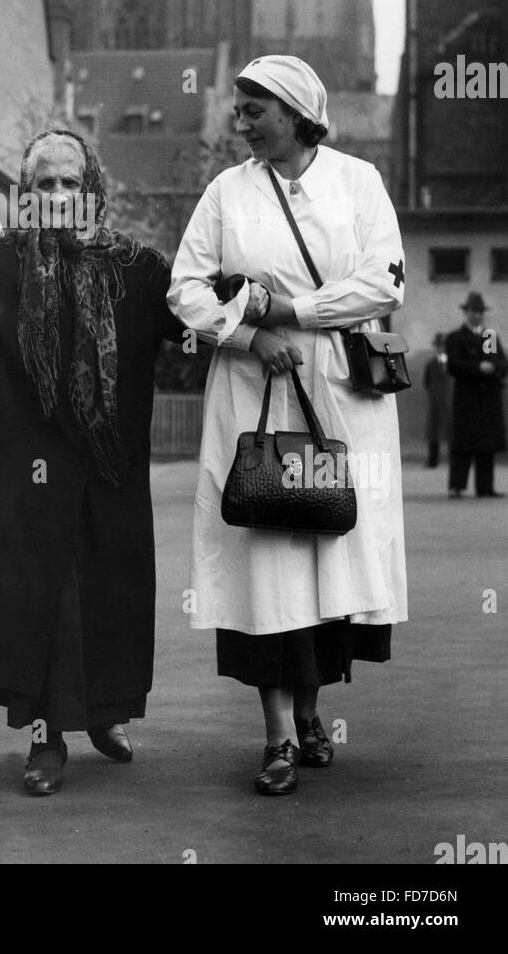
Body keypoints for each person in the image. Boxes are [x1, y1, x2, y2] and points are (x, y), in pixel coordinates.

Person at [168, 55, 408, 797]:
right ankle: (275, 736)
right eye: (237, 110)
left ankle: (311, 714)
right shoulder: (225, 192)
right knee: (265, 558)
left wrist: (295, 313)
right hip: (255, 395)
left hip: (340, 395)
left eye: (252, 110)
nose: (239, 122)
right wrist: (246, 336)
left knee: (324, 549)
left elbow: (383, 279)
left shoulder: (356, 182)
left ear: (296, 111)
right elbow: (184, 287)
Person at [0, 129, 185, 796]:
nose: (57, 194)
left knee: (110, 595)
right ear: (26, 194)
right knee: (45, 602)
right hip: (27, 468)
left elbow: (194, 316)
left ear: (92, 190)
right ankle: (48, 739)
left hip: (108, 469)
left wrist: (253, 307)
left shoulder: (138, 267)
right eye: (43, 183)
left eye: (70, 182)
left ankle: (104, 715)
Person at [444, 294, 507, 499]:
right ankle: (457, 486)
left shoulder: (488, 337)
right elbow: (453, 365)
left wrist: (493, 367)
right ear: (466, 312)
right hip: (467, 399)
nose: (477, 315)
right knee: (462, 445)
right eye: (473, 311)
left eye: (480, 312)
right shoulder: (456, 337)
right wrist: (478, 367)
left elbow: (502, 362)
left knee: (486, 445)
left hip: (488, 400)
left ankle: (485, 487)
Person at [422, 333, 450, 470]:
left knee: (452, 430)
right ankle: (433, 460)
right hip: (435, 401)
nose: (440, 348)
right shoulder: (431, 364)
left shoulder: (452, 363)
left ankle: (454, 460)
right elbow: (426, 382)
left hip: (449, 401)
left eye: (443, 346)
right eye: (438, 346)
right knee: (433, 432)